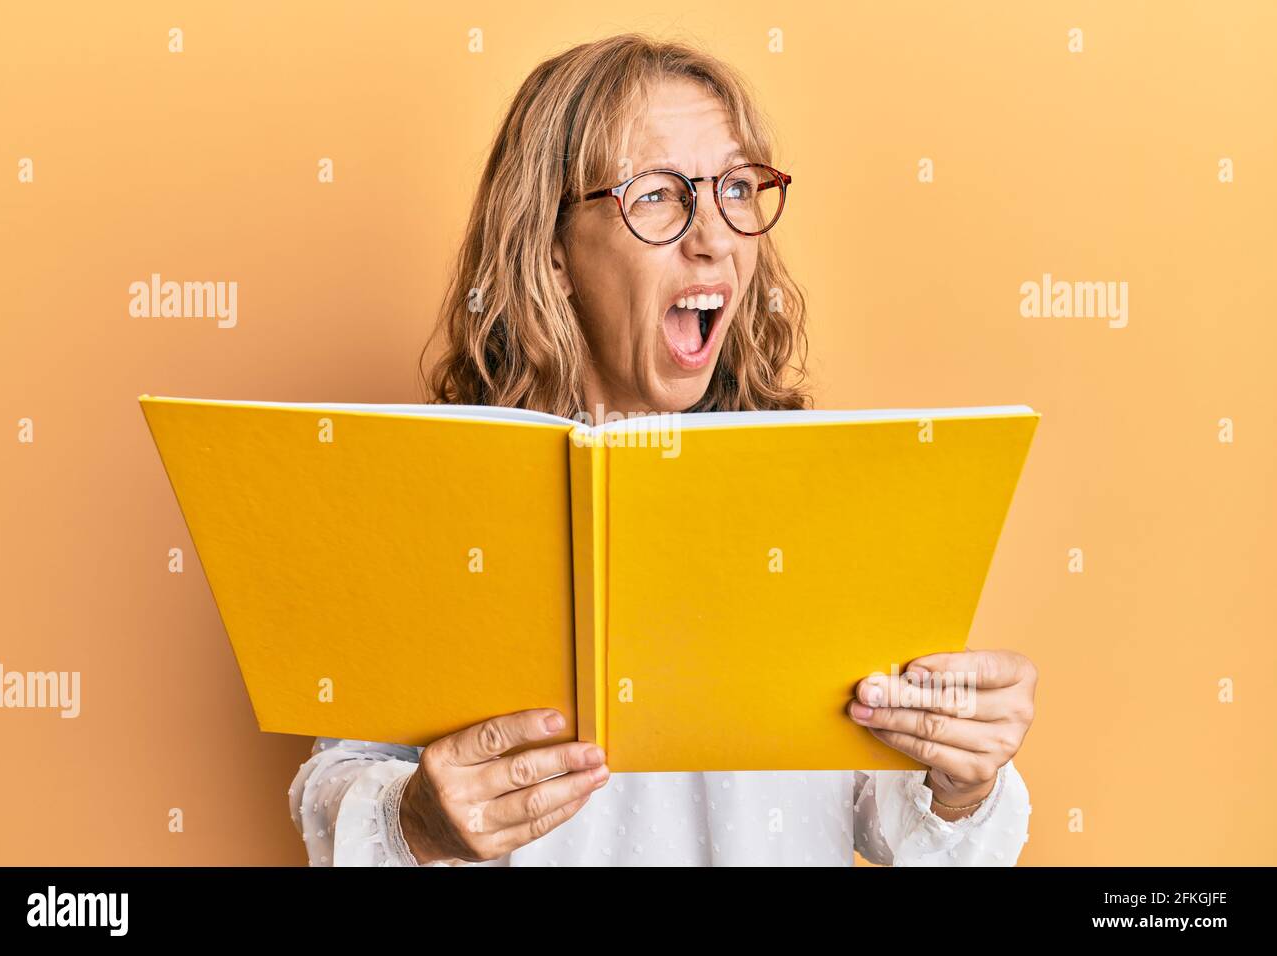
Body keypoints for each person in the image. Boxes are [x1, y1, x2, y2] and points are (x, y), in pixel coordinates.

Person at [289, 33, 1038, 866]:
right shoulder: (440, 493)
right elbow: (339, 781)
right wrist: (415, 821)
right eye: (658, 197)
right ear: (553, 252)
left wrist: (963, 779)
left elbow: (890, 815)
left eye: (734, 188)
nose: (714, 236)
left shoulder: (823, 491)